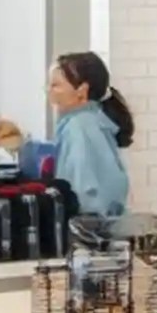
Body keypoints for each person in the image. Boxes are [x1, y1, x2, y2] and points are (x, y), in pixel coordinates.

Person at [46, 52, 134, 217]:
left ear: (82, 90)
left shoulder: (80, 127)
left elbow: (85, 193)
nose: (49, 91)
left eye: (56, 85)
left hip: (87, 231)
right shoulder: (91, 121)